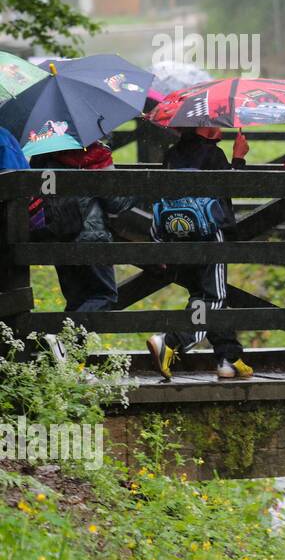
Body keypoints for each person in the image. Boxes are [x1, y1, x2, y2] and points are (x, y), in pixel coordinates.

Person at [146, 127, 254, 380]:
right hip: (209, 235)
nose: (220, 127)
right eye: (214, 122)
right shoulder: (212, 154)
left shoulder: (172, 154)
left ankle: (229, 358)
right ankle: (172, 340)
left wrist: (157, 241)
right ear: (202, 127)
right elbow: (230, 188)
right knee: (214, 297)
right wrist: (238, 158)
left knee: (202, 295)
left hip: (179, 234)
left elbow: (161, 196)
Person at [29, 141, 131, 316]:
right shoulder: (96, 154)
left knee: (76, 300)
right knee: (104, 295)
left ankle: (63, 341)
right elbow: (115, 202)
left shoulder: (42, 154)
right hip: (91, 235)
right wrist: (141, 191)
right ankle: (63, 339)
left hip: (58, 234)